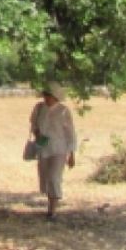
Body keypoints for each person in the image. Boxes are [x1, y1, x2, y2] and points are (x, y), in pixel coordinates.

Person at [28, 84, 77, 219]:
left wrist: (71, 154)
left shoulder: (64, 111)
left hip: (59, 149)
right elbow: (33, 124)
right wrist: (37, 135)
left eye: (48, 95)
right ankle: (50, 203)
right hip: (43, 148)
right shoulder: (39, 108)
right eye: (45, 95)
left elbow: (70, 133)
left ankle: (52, 210)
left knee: (54, 177)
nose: (46, 98)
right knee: (45, 177)